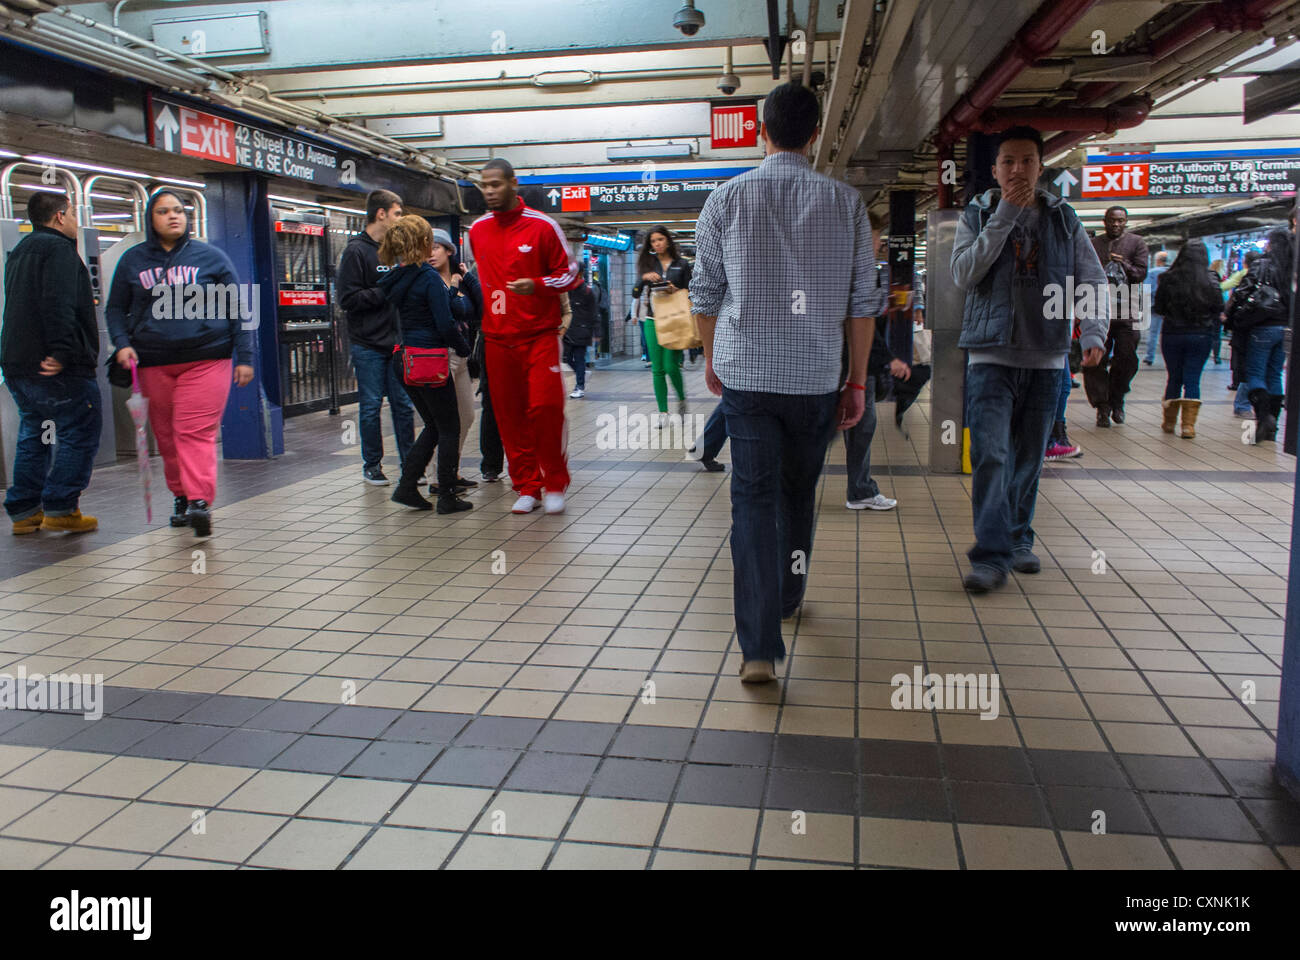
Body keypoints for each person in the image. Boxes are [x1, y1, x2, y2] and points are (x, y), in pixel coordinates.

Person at [691, 81, 886, 684]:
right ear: (815, 133)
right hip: (816, 379)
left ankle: (758, 647)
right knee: (798, 496)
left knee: (750, 502)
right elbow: (862, 302)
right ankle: (790, 593)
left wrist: (711, 356)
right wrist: (855, 382)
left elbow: (704, 292)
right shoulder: (846, 203)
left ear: (760, 131)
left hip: (748, 377)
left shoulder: (725, 198)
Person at [951, 125, 1108, 593]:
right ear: (996, 170)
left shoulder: (1064, 218)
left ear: (1041, 167)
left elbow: (1092, 278)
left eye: (1027, 161)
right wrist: (1005, 216)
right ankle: (991, 555)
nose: (1017, 170)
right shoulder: (977, 215)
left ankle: (1019, 537)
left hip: (1047, 357)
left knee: (1028, 459)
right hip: (989, 356)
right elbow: (963, 273)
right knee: (992, 455)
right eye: (1008, 162)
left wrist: (1095, 331)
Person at [106, 190, 254, 538]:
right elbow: (115, 308)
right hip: (153, 362)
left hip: (207, 358)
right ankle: (181, 496)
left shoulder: (211, 258)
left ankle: (199, 501)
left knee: (193, 432)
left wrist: (244, 357)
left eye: (178, 210)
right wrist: (122, 344)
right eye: (163, 211)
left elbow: (238, 308)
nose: (173, 216)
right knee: (168, 437)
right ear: (150, 218)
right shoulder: (133, 260)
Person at [467, 158, 581, 515]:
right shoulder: (477, 230)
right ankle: (527, 485)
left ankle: (555, 482)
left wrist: (538, 285)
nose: (489, 191)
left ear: (513, 183)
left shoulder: (543, 226)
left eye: (496, 184)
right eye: (484, 185)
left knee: (546, 407)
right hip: (497, 339)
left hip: (539, 336)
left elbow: (570, 274)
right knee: (508, 414)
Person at [1, 191, 101, 535]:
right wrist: (61, 352)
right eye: (73, 214)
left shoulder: (19, 252)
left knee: (36, 432)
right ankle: (61, 506)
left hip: (17, 363)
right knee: (80, 429)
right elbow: (58, 302)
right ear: (60, 216)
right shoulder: (59, 250)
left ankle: (25, 509)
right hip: (55, 366)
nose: (76, 221)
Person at [377, 216, 472, 513]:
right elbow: (444, 324)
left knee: (434, 424)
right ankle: (446, 497)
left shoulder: (397, 276)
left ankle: (407, 487)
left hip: (403, 358)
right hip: (429, 359)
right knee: (449, 427)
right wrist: (464, 348)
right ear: (421, 242)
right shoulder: (428, 277)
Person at [337, 189, 415, 487]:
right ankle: (372, 465)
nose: (400, 219)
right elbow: (347, 298)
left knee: (403, 405)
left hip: (396, 342)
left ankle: (411, 465)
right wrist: (386, 289)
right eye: (397, 213)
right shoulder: (356, 251)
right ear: (380, 213)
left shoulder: (396, 250)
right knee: (370, 405)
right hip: (367, 343)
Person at [843, 216, 908, 510]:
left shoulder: (844, 270)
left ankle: (859, 489)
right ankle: (860, 491)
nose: (879, 244)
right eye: (875, 238)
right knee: (861, 428)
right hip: (856, 364)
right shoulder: (859, 272)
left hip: (839, 363)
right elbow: (859, 322)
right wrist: (889, 359)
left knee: (850, 429)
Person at [1231, 227, 1295, 442]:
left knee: (1255, 373)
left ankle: (1263, 417)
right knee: (1275, 373)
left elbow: (1243, 292)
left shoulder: (1261, 264)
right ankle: (1272, 427)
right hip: (1286, 328)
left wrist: (1235, 315)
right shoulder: (1292, 265)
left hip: (1262, 327)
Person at [429, 227, 480, 494]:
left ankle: (451, 470)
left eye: (435, 248)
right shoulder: (429, 280)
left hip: (461, 356)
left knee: (467, 416)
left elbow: (480, 309)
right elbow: (444, 317)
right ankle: (437, 476)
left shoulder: (459, 279)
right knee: (444, 421)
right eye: (426, 249)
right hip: (441, 356)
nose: (430, 254)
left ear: (449, 250)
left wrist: (468, 278)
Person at [1086, 205, 1147, 426]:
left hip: (1127, 312)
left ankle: (1117, 398)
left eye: (1120, 220)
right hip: (1098, 310)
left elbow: (1141, 274)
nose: (1116, 224)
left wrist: (1124, 264)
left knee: (1127, 358)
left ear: (1126, 222)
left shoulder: (1136, 243)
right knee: (1094, 360)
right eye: (1112, 220)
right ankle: (1102, 406)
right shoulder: (1094, 245)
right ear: (1105, 221)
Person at [1153, 240, 1220, 439]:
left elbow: (1159, 308)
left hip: (1173, 333)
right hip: (1201, 334)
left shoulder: (1168, 278)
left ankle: (1169, 422)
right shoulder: (1211, 279)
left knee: (1174, 376)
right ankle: (1188, 427)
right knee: (1193, 378)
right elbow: (1219, 307)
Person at [634, 226, 693, 426]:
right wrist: (643, 279)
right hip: (652, 319)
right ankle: (663, 412)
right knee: (657, 369)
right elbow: (635, 292)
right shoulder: (648, 264)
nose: (657, 244)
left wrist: (675, 289)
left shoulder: (682, 264)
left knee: (670, 366)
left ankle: (682, 398)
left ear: (668, 240)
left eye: (660, 239)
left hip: (675, 320)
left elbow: (691, 291)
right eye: (653, 241)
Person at [1226, 250, 1262, 418]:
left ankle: (1243, 404)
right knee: (1258, 368)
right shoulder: (1268, 275)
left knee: (1249, 367)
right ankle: (1247, 405)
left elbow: (1225, 288)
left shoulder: (1244, 276)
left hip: (1247, 329)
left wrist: (1229, 322)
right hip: (1260, 328)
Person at [563, 266, 598, 398]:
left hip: (582, 330)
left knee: (579, 358)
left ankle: (580, 387)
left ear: (580, 274)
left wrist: (596, 332)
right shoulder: (566, 290)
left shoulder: (588, 291)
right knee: (565, 358)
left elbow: (594, 313)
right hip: (568, 329)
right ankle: (582, 373)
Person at [1141, 250, 1169, 365]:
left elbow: (1146, 289)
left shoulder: (1152, 272)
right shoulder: (1172, 272)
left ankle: (1150, 357)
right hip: (1169, 308)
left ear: (1157, 261)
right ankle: (1169, 357)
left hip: (1155, 306)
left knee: (1154, 332)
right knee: (1167, 333)